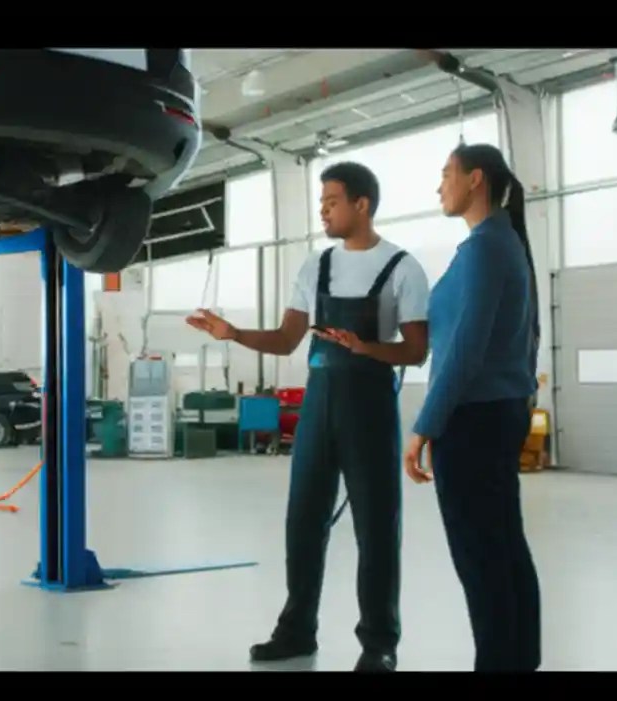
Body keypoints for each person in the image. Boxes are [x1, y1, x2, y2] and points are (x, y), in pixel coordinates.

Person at [187, 162, 430, 671]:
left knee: (377, 530)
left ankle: (379, 645)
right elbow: (285, 340)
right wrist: (231, 333)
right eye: (321, 201)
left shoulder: (403, 268)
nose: (323, 210)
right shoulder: (314, 267)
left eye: (332, 201)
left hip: (370, 409)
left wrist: (364, 347)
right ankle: (296, 630)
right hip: (318, 407)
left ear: (362, 204)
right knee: (302, 523)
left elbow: (415, 351)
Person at [405, 143, 543, 672]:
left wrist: (423, 427)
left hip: (474, 418)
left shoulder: (487, 247)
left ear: (475, 180)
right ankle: (517, 661)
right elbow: (527, 336)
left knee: (480, 557)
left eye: (447, 174)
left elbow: (465, 350)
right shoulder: (503, 244)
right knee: (504, 546)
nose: (440, 185)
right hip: (499, 411)